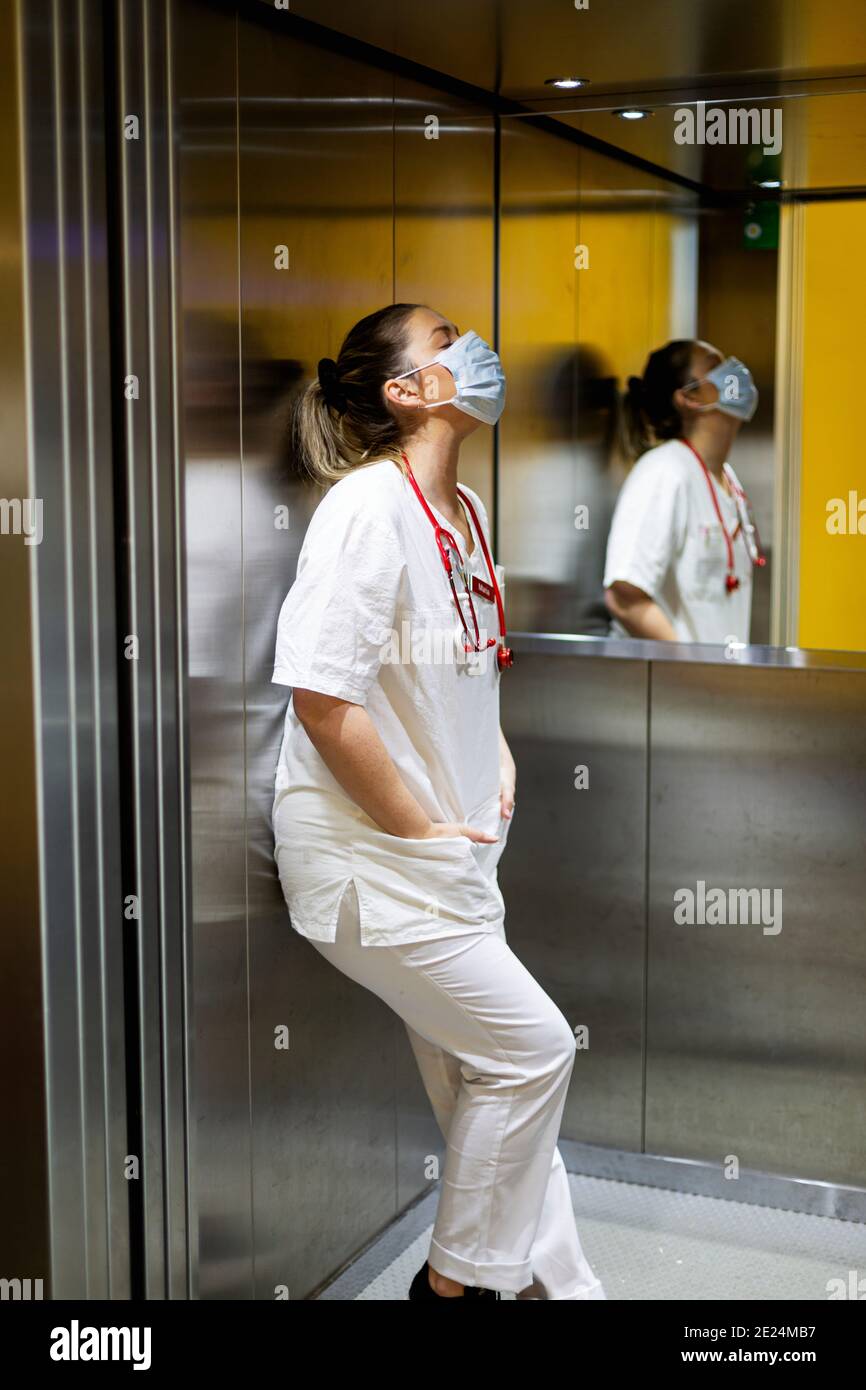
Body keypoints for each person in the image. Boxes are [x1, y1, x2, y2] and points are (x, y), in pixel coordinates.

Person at [271, 302, 605, 1301]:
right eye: (446, 337)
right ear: (404, 391)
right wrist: (419, 827)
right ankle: (450, 1289)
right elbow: (324, 698)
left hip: (450, 863)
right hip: (372, 867)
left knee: (486, 1084)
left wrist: (490, 752)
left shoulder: (463, 513)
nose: (476, 349)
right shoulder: (364, 508)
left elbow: (453, 663)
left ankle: (554, 1290)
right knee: (533, 1052)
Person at [603, 339, 765, 644]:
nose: (735, 372)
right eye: (716, 367)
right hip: (672, 685)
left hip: (713, 681)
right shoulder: (663, 472)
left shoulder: (727, 479)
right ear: (689, 397)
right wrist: (689, 666)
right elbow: (624, 597)